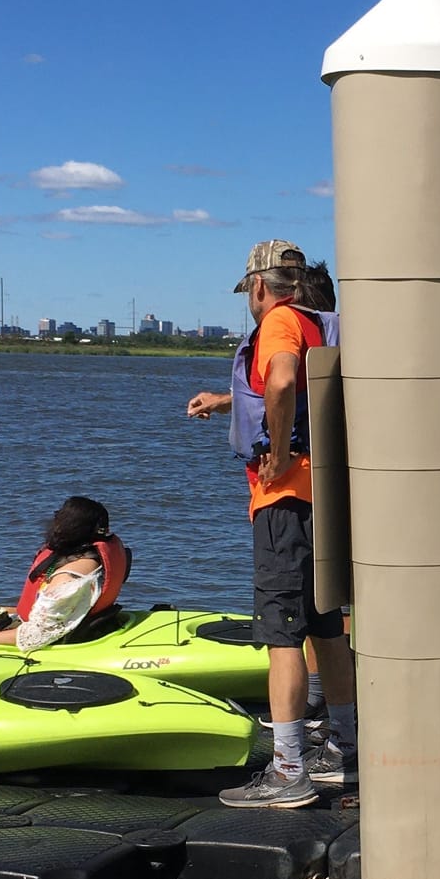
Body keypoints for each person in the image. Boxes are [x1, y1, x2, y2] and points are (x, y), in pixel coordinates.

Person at [186, 240, 359, 808]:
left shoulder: (279, 323)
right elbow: (299, 392)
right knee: (326, 627)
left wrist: (279, 454)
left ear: (259, 286)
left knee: (281, 634)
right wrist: (226, 401)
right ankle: (346, 750)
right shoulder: (317, 324)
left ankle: (288, 771)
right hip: (324, 496)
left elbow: (282, 382)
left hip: (285, 501)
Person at [0, 495, 131, 654]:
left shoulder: (68, 579)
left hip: (60, 642)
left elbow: (38, 634)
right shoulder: (93, 558)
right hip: (89, 624)